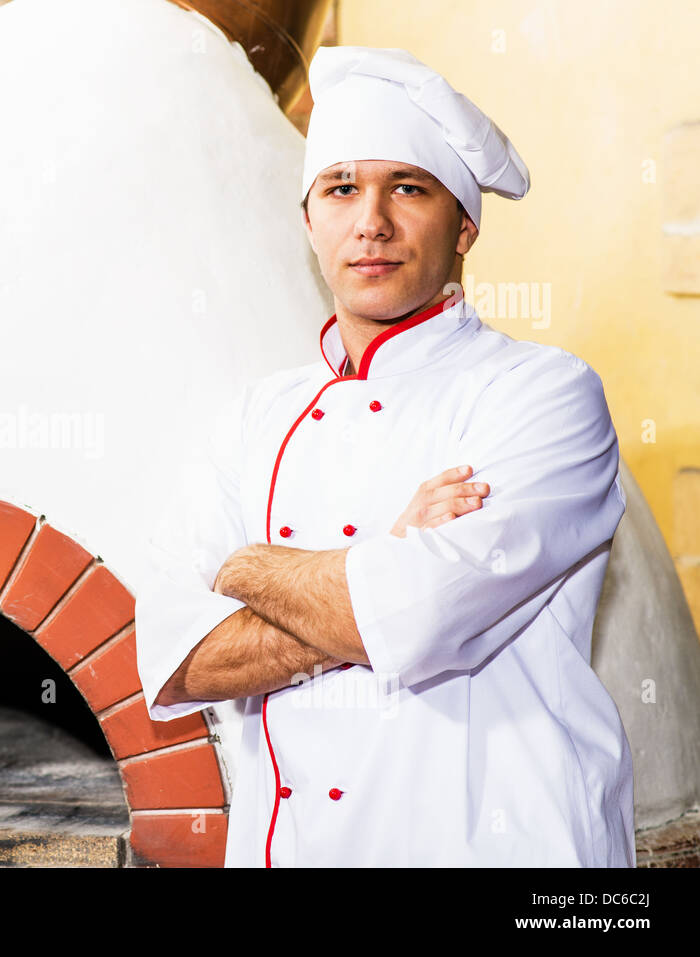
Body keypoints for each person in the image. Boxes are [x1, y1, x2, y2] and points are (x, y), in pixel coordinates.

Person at [134, 45, 634, 867]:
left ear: (465, 225)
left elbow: (416, 617)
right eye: (340, 189)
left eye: (408, 187)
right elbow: (180, 660)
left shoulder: (543, 395)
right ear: (309, 221)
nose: (371, 222)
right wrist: (382, 561)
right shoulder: (253, 418)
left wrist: (247, 565)